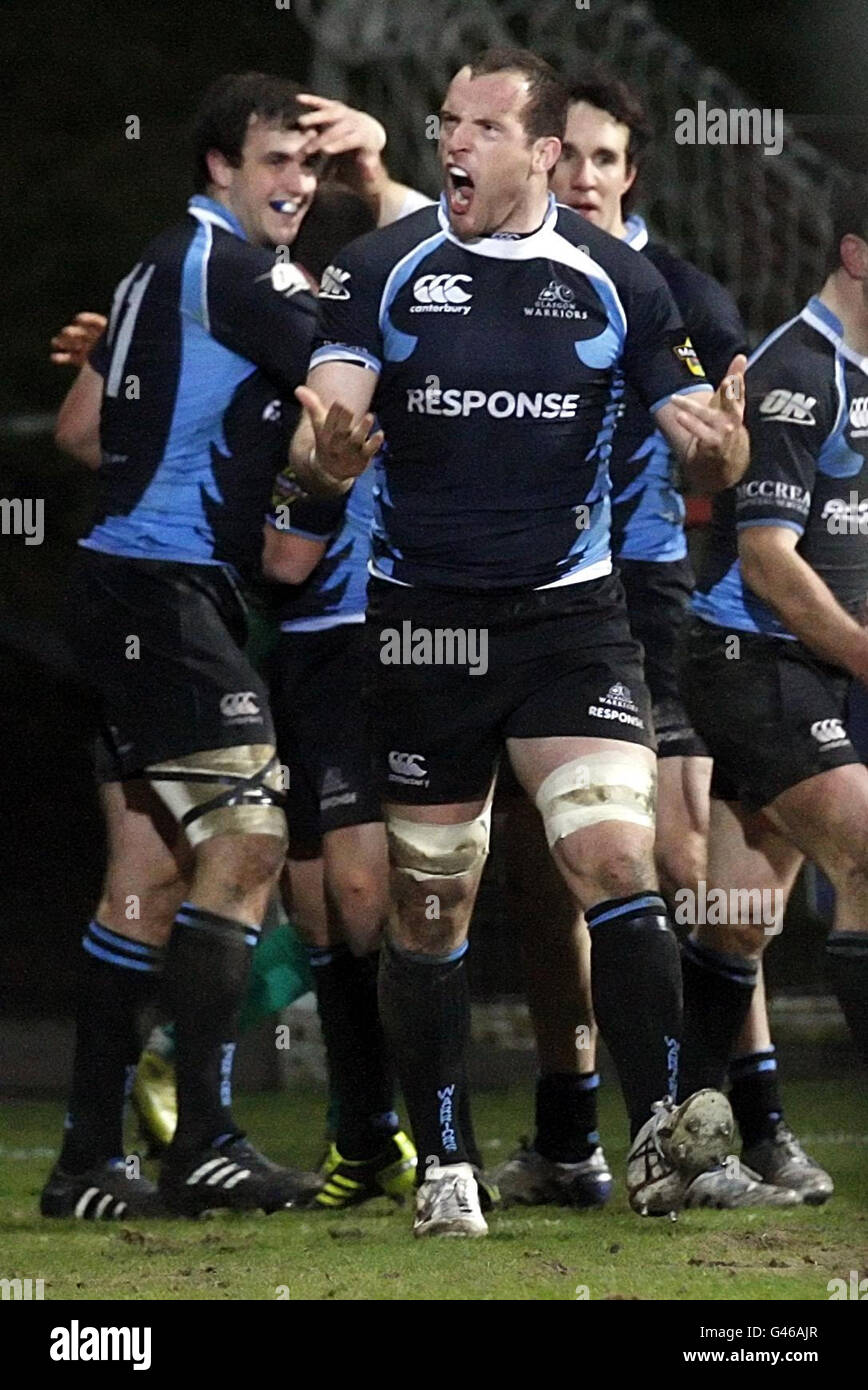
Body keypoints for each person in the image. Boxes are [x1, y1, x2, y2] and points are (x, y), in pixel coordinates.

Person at [289, 46, 751, 1236]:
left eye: (483, 128)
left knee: (614, 857)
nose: (453, 144)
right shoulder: (379, 270)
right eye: (445, 123)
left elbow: (697, 436)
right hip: (425, 622)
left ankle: (657, 1136)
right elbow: (323, 426)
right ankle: (444, 1158)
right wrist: (327, 459)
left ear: (542, 152)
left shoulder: (613, 281)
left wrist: (723, 452)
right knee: (433, 904)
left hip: (570, 620)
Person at [494, 73, 828, 1209]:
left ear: (630, 174)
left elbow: (717, 471)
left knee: (685, 871)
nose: (581, 175)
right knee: (550, 882)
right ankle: (565, 1138)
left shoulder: (679, 296)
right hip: (514, 605)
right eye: (565, 155)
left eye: (603, 158)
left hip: (646, 601)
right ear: (536, 161)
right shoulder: (491, 277)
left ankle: (737, 1128)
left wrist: (719, 450)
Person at [42, 71, 343, 1220]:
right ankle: (206, 1135)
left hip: (142, 586)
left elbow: (78, 431)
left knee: (149, 880)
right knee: (255, 835)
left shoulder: (159, 267)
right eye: (275, 160)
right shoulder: (237, 267)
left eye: (308, 166)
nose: (297, 184)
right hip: (159, 594)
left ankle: (82, 1165)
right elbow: (355, 379)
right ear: (220, 167)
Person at [677, 175, 868, 1105]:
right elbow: (767, 562)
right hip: (751, 659)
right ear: (856, 255)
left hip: (807, 670)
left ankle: (680, 1129)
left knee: (740, 915)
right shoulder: (799, 370)